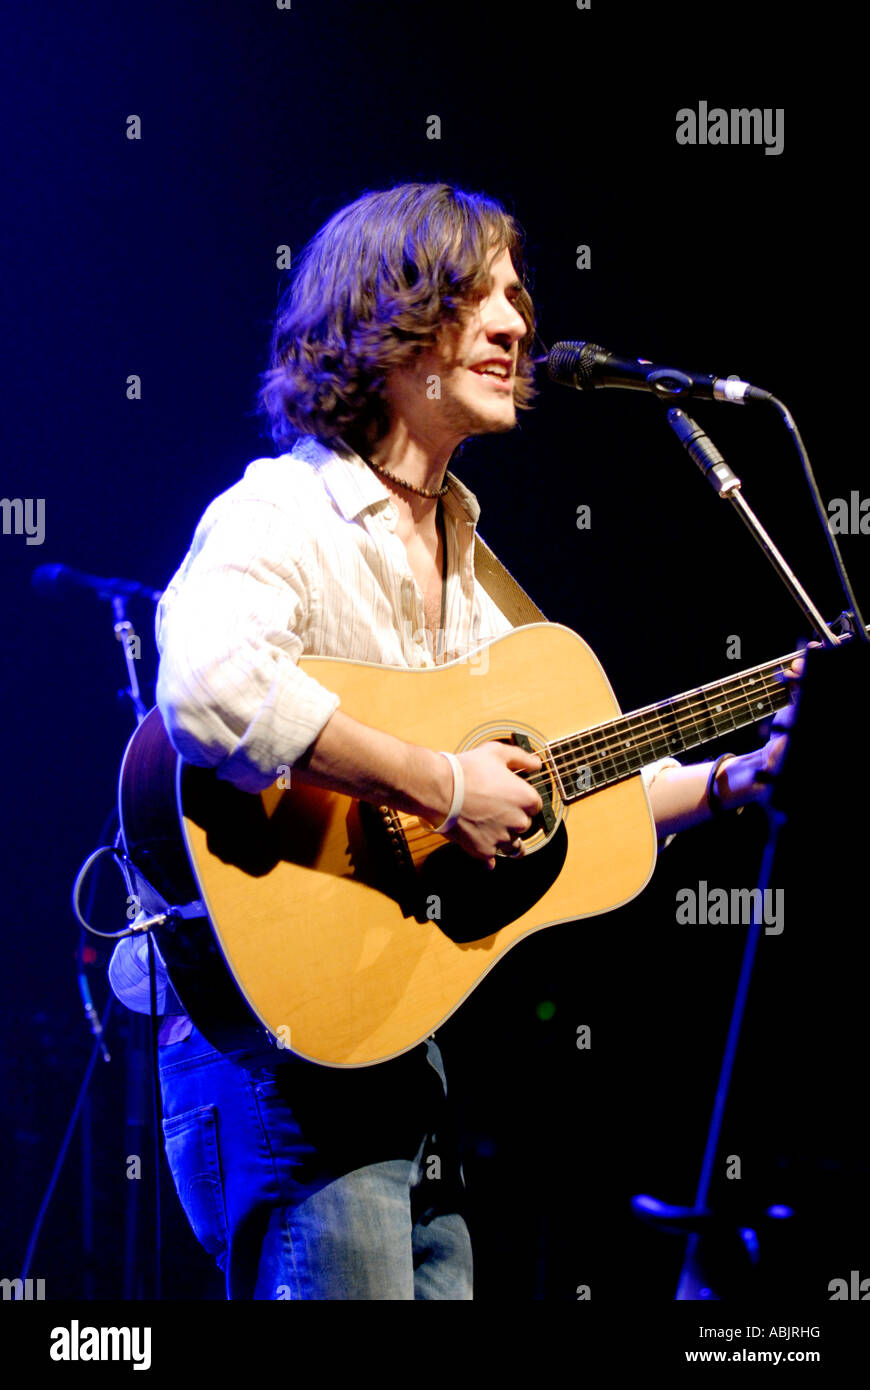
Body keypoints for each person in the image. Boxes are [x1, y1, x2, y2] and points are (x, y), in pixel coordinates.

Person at [108, 181, 797, 1300]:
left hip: (396, 1042)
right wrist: (440, 783)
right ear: (385, 317)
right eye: (477, 293)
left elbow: (570, 780)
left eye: (520, 295)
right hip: (275, 1059)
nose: (520, 324)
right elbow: (207, 688)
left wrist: (740, 777)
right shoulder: (282, 513)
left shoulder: (467, 557)